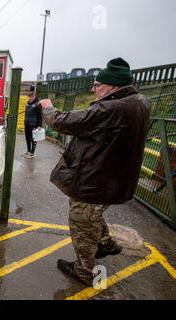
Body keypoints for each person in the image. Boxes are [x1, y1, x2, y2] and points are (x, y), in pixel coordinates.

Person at [39, 58, 151, 286]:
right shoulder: (141, 102)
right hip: (116, 180)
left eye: (98, 84)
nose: (93, 88)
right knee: (93, 216)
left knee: (82, 221)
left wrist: (47, 107)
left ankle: (83, 272)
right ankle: (107, 244)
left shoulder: (110, 108)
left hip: (96, 181)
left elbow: (63, 121)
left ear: (113, 87)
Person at [23, 90, 42, 159]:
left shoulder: (37, 104)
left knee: (33, 139)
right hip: (27, 123)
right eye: (29, 97)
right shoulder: (27, 103)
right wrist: (24, 121)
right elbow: (25, 113)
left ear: (34, 96)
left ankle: (32, 153)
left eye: (32, 97)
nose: (31, 98)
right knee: (27, 138)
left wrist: (39, 125)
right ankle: (28, 151)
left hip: (34, 124)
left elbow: (40, 115)